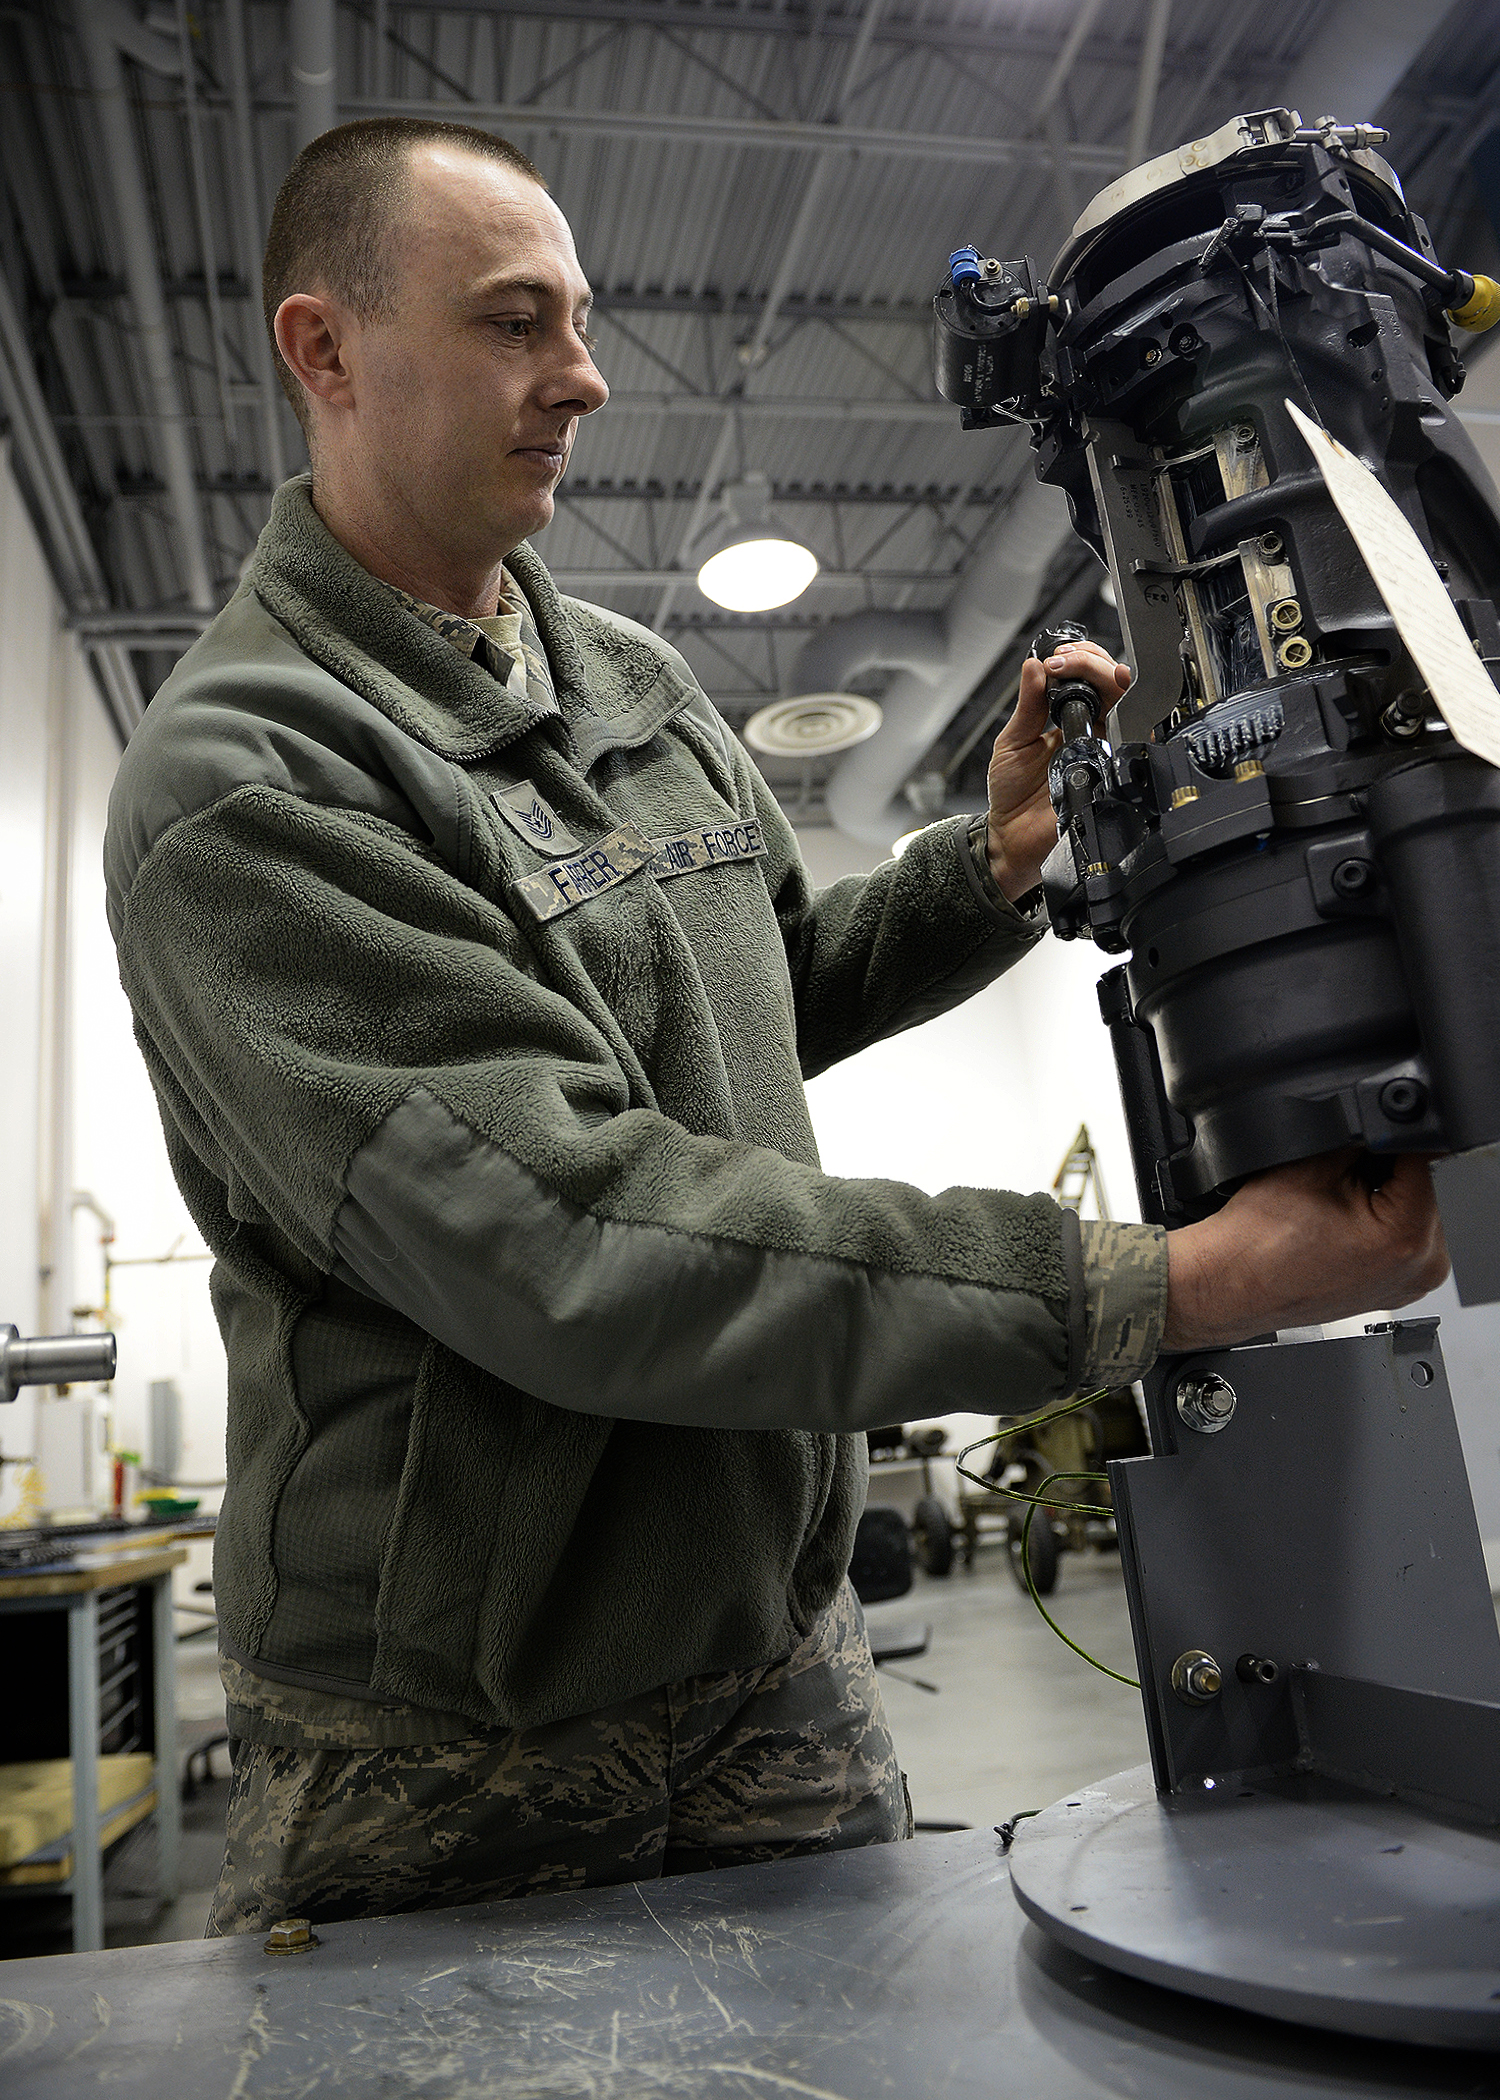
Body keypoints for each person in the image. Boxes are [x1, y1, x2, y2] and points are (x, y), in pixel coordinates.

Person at [103, 118, 1447, 1934]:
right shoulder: (252, 782)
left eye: (578, 321)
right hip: (453, 1739)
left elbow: (757, 1000)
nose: (581, 378)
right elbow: (568, 1238)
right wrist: (1159, 1284)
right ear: (323, 349)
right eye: (515, 323)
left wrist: (983, 869)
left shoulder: (636, 688)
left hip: (777, 1655)